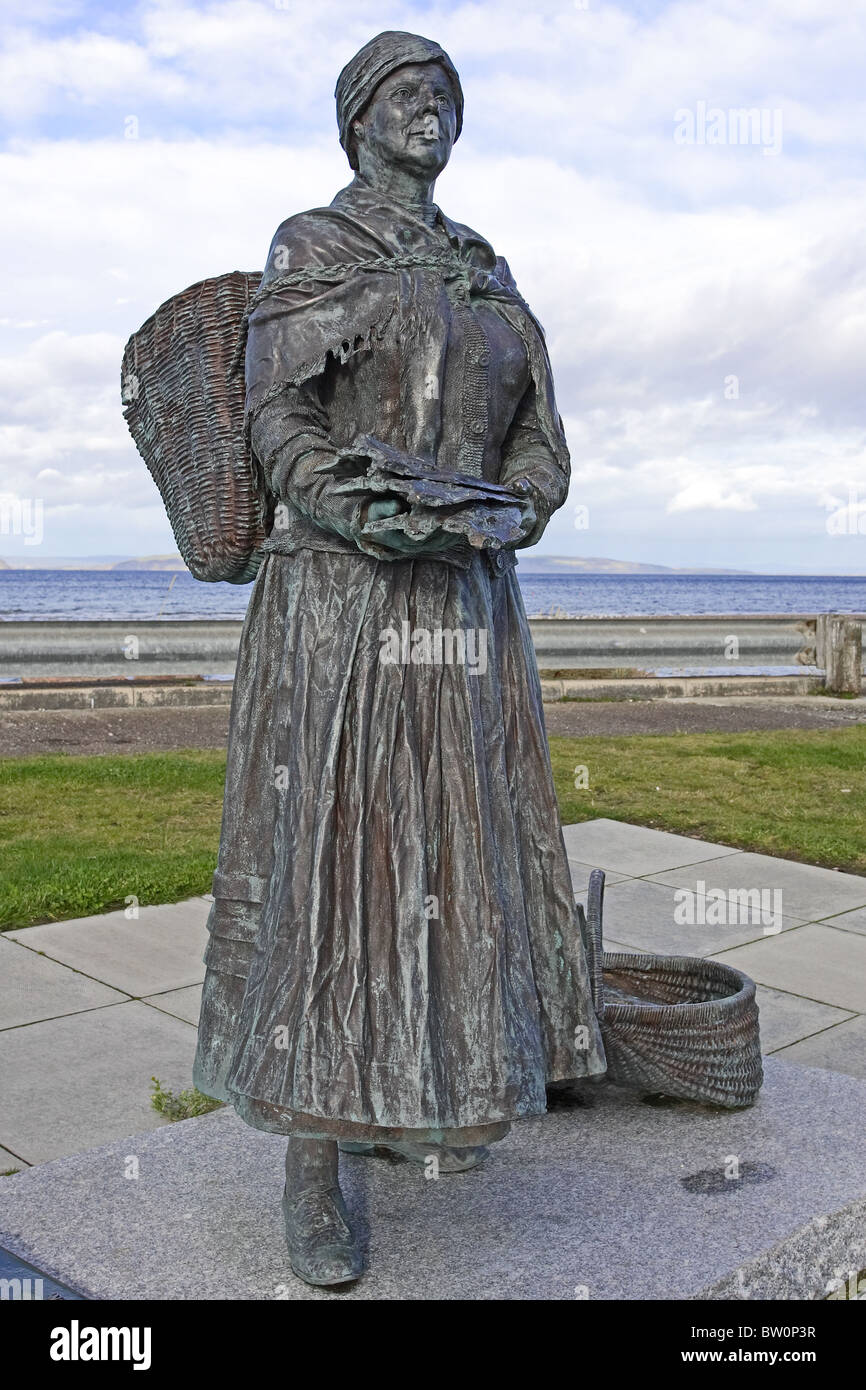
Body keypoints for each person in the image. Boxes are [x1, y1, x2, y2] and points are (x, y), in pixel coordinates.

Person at [192, 29, 606, 1288]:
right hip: (344, 606)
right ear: (356, 118)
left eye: (444, 95)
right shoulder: (313, 247)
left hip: (468, 605)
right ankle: (312, 1152)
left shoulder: (484, 268)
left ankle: (433, 1085)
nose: (427, 110)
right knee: (339, 860)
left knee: (456, 854)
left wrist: (522, 502)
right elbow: (275, 414)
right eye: (403, 93)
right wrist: (347, 502)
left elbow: (538, 433)